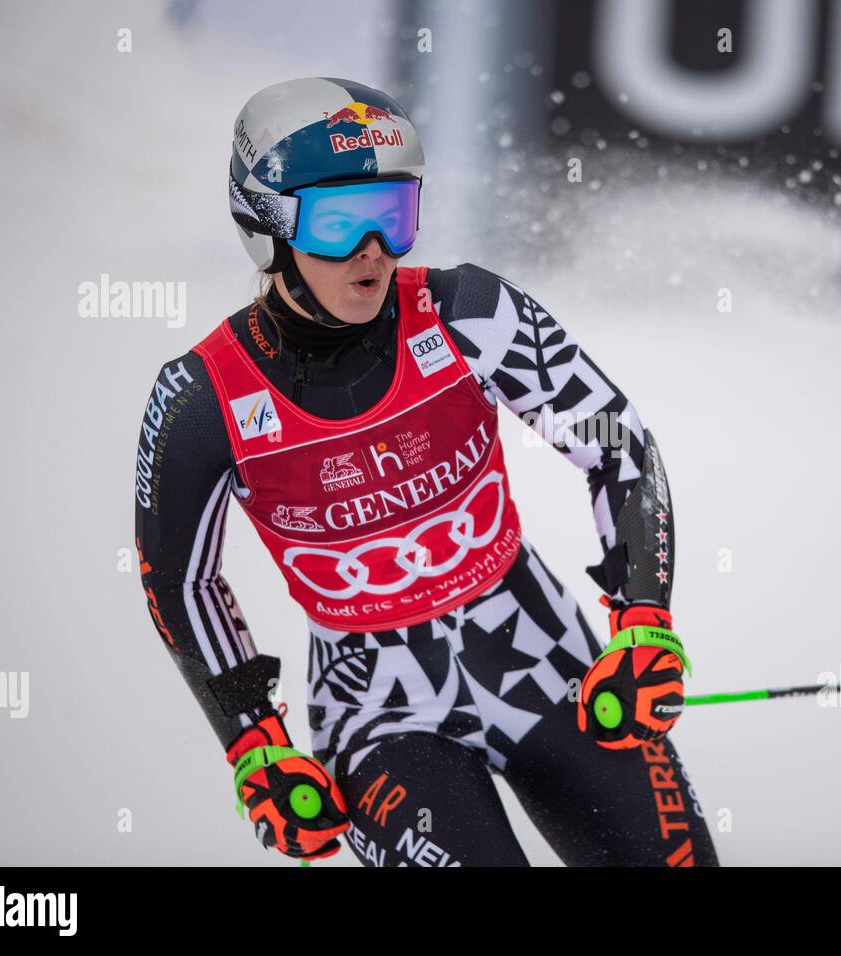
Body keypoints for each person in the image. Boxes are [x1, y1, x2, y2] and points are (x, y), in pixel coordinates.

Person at [133, 77, 719, 867]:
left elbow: (618, 444)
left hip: (547, 665)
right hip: (378, 715)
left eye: (392, 216)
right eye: (341, 223)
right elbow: (182, 582)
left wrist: (644, 618)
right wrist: (255, 746)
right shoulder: (204, 398)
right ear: (265, 229)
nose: (372, 252)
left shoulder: (469, 312)